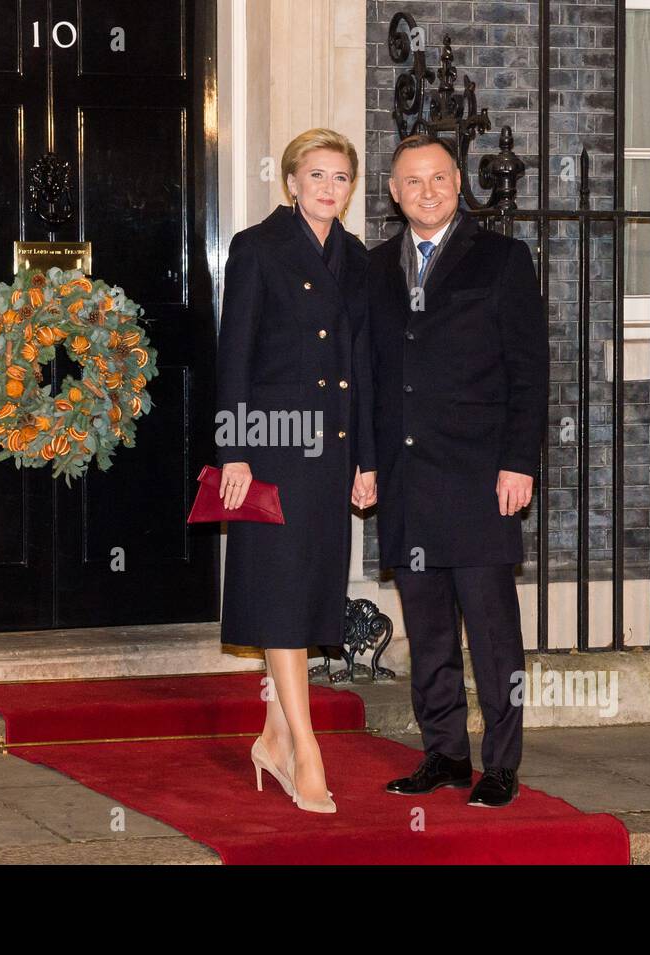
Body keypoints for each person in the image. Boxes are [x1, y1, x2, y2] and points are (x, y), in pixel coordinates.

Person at [368, 133, 548, 808]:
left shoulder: (502, 259)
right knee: (430, 630)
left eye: (439, 178)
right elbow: (368, 374)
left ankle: (501, 764)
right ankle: (444, 753)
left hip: (480, 479)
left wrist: (517, 463)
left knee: (494, 632)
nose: (428, 191)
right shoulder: (375, 265)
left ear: (458, 181)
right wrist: (365, 463)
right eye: (413, 182)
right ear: (394, 191)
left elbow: (529, 372)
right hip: (408, 479)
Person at [215, 128, 376, 814]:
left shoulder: (357, 259)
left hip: (330, 453)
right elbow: (234, 357)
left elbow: (361, 365)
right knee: (281, 595)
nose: (328, 188)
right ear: (290, 182)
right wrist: (234, 452)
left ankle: (274, 736)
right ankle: (306, 751)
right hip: (271, 449)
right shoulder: (256, 248)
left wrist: (367, 458)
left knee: (311, 595)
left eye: (340, 177)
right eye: (316, 175)